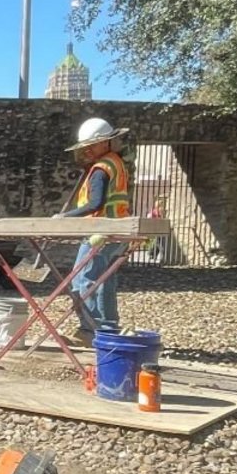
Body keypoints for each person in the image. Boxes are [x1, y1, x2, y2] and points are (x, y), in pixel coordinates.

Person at [57, 117, 133, 338]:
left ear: (105, 143)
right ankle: (108, 329)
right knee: (105, 279)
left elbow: (95, 204)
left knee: (84, 278)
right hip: (118, 230)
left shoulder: (101, 169)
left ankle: (89, 330)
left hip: (100, 232)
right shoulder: (115, 163)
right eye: (85, 147)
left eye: (91, 146)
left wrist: (65, 216)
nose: (87, 150)